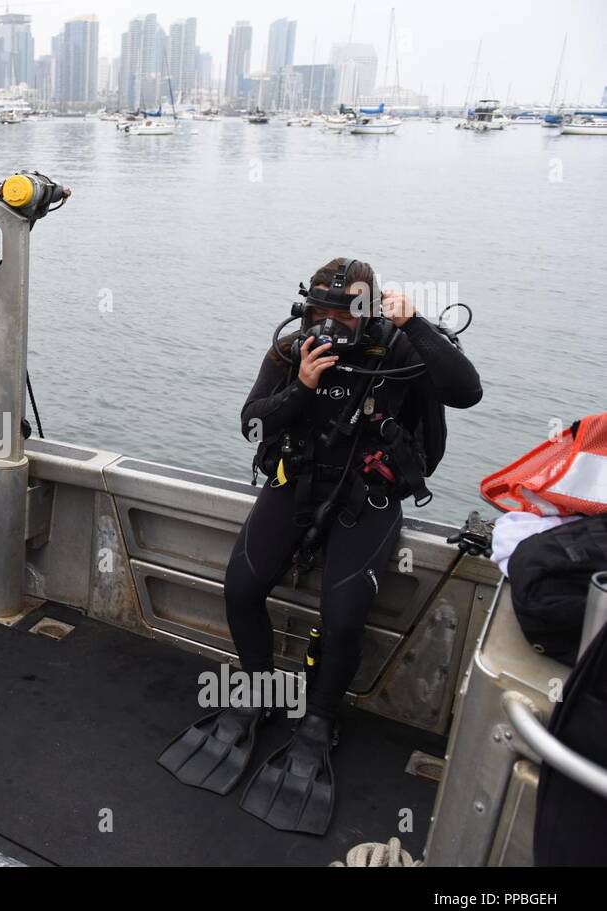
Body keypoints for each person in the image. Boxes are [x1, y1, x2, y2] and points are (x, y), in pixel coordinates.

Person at [158, 257, 482, 835]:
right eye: (321, 311)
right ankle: (257, 691)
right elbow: (253, 424)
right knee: (242, 586)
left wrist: (417, 327)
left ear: (371, 310)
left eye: (347, 312)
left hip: (368, 496)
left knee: (344, 614)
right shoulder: (292, 350)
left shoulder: (400, 352)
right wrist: (301, 388)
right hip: (299, 480)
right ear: (306, 306)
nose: (331, 324)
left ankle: (318, 722)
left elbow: (467, 391)